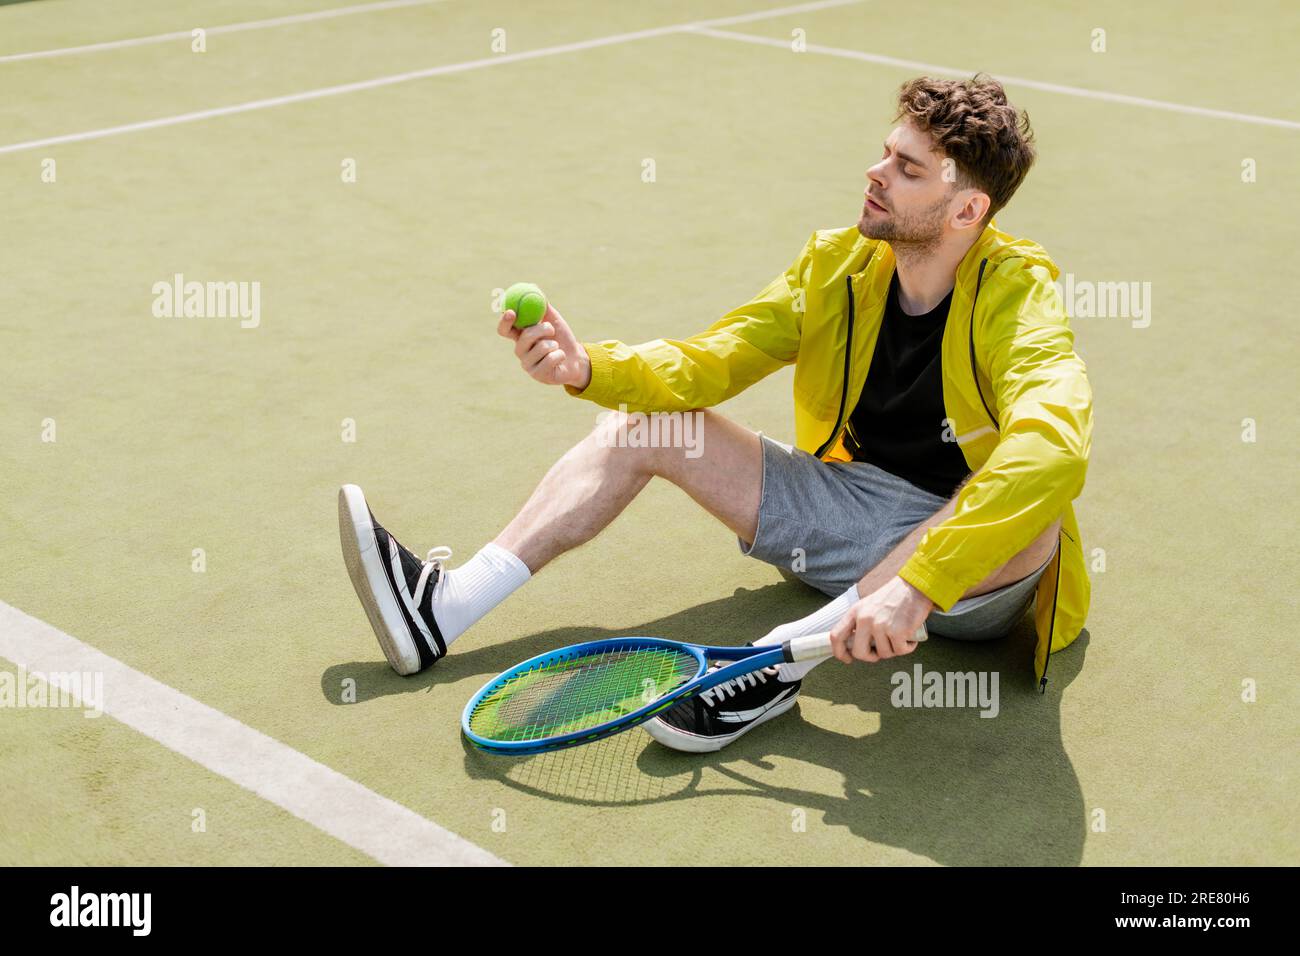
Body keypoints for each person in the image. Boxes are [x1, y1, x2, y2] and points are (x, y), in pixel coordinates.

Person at [338, 73, 1093, 753]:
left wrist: (919, 584)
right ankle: (443, 609)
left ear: (967, 208)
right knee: (648, 426)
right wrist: (589, 367)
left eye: (907, 168)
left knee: (1038, 514)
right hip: (851, 513)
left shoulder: (1018, 296)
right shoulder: (835, 267)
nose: (875, 172)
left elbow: (1052, 449)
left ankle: (772, 663)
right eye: (885, 153)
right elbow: (715, 357)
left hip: (972, 581)